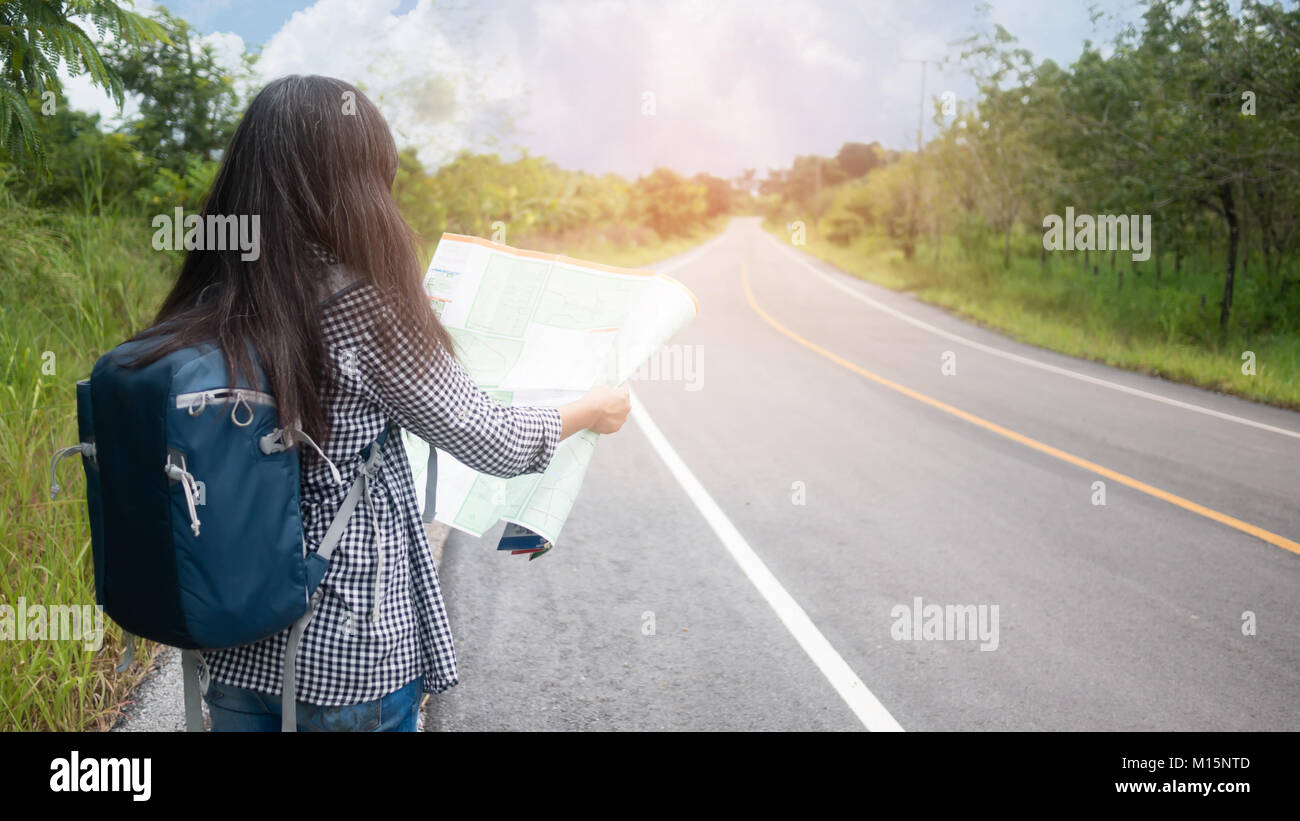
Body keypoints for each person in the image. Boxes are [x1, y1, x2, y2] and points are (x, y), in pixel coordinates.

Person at [128, 74, 630, 731]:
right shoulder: (360, 306)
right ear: (355, 182)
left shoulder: (212, 296)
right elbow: (493, 438)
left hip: (234, 647)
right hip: (347, 652)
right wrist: (590, 409)